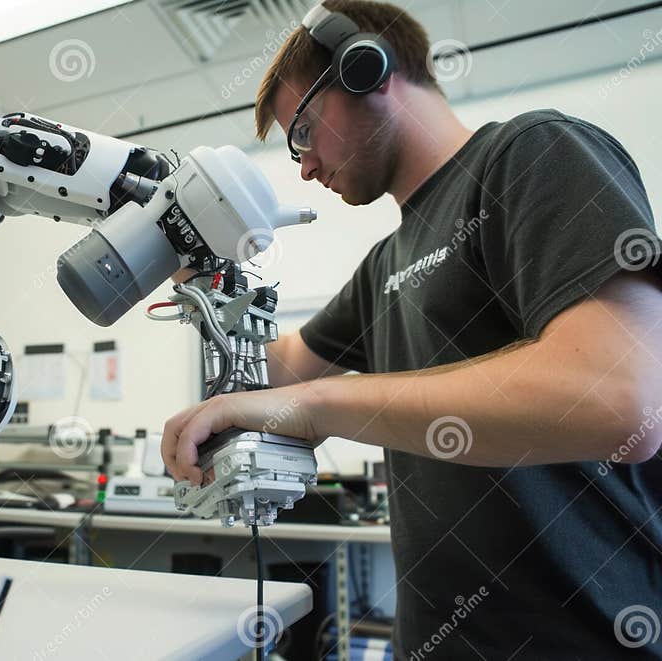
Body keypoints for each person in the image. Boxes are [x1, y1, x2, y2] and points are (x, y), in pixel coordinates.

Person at [161, 1, 662, 658]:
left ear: (367, 68)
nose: (305, 166)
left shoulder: (530, 154)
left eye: (304, 132)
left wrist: (316, 408)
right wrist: (199, 271)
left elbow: (622, 398)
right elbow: (274, 373)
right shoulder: (386, 265)